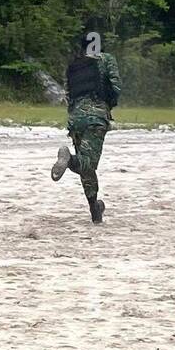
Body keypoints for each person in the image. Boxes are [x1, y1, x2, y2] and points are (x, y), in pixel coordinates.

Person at [52, 28, 121, 223]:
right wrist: (108, 104)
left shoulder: (74, 66)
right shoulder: (106, 59)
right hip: (95, 118)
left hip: (75, 120)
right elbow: (116, 88)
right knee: (87, 163)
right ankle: (68, 158)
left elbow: (68, 94)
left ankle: (95, 209)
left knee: (87, 168)